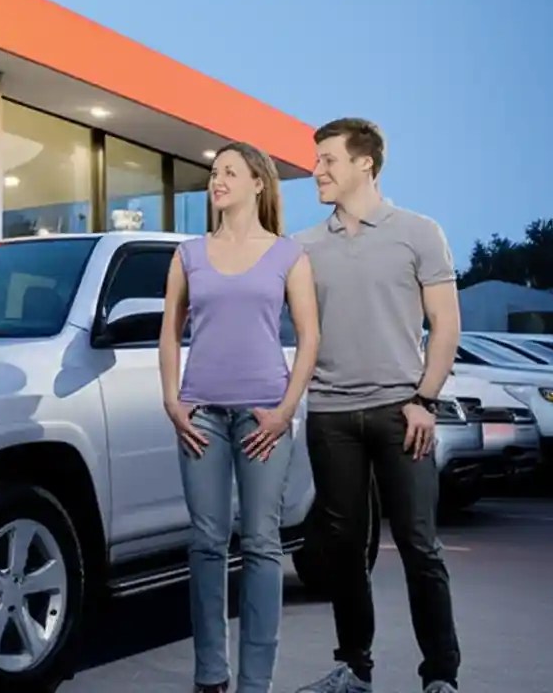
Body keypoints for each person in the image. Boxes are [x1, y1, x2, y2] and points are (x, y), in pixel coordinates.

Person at [292, 118, 462, 693]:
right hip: (331, 415)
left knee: (420, 546)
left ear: (365, 163)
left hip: (401, 412)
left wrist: (425, 400)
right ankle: (354, 670)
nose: (316, 170)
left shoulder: (419, 233)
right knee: (342, 549)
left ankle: (440, 676)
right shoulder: (305, 247)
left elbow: (446, 326)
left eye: (328, 160)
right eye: (316, 160)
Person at [159, 142, 320, 693]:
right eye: (212, 172)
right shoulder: (189, 253)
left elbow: (310, 338)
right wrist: (172, 399)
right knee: (205, 544)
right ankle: (211, 675)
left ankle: (256, 682)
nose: (216, 180)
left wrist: (285, 412)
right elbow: (168, 331)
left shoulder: (287, 255)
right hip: (200, 416)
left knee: (260, 543)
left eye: (229, 171)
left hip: (264, 417)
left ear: (258, 183)